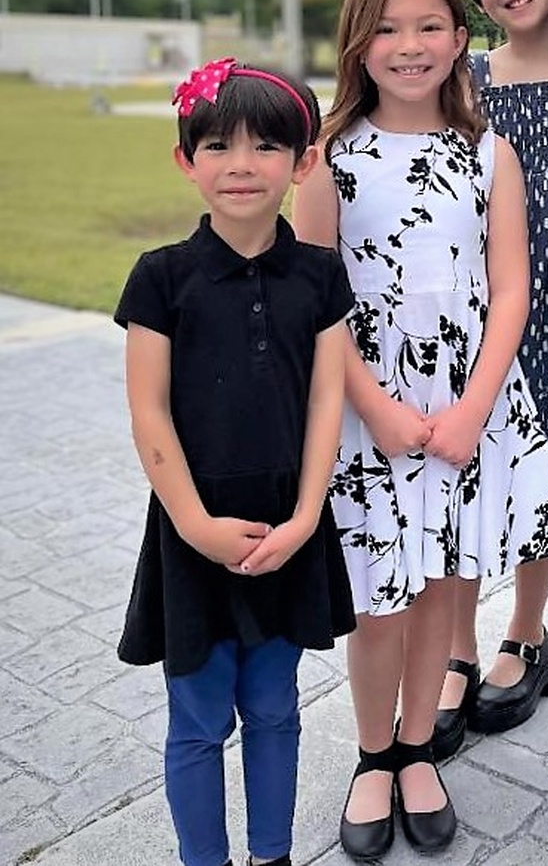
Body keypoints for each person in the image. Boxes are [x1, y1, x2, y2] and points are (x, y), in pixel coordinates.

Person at [292, 0, 548, 860]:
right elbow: (313, 300)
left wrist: (473, 408)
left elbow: (511, 288)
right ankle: (372, 756)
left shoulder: (489, 153)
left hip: (466, 412)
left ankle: (418, 750)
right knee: (382, 600)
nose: (408, 45)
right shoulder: (329, 160)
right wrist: (372, 405)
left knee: (443, 589)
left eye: (427, 26)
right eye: (386, 28)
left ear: (460, 39)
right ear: (357, 45)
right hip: (368, 414)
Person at [114, 58, 356, 866]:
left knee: (275, 707)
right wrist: (194, 523)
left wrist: (306, 516)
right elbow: (149, 411)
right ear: (187, 160)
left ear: (303, 160)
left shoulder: (320, 275)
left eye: (265, 145)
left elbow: (327, 399)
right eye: (218, 145)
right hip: (195, 532)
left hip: (289, 526)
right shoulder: (161, 278)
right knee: (197, 719)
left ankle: (272, 853)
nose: (241, 164)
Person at [430, 0, 548, 759]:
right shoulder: (467, 81)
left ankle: (527, 635)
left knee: (541, 480)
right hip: (480, 314)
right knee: (461, 474)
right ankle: (456, 647)